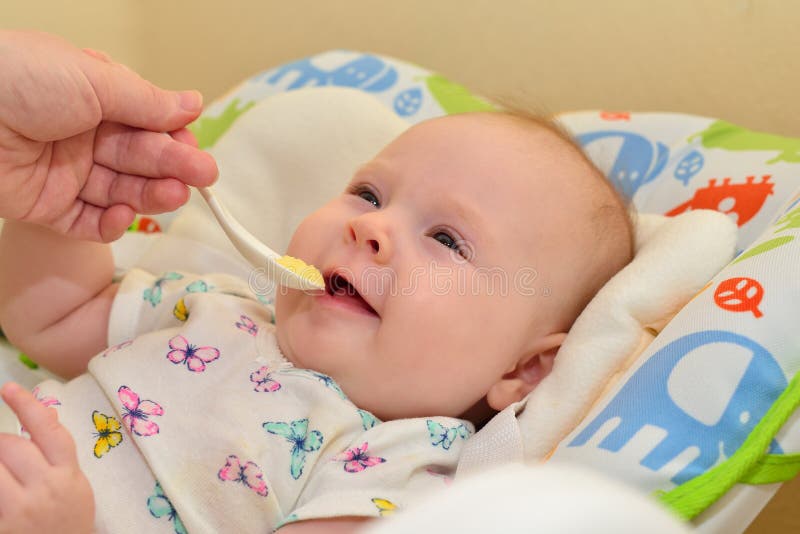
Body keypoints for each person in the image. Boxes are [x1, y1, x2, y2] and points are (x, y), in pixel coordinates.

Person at [0, 31, 634, 533]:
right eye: (367, 193)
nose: (373, 228)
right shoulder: (216, 309)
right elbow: (50, 319)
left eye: (446, 240)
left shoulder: (402, 466)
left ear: (525, 371)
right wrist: (62, 210)